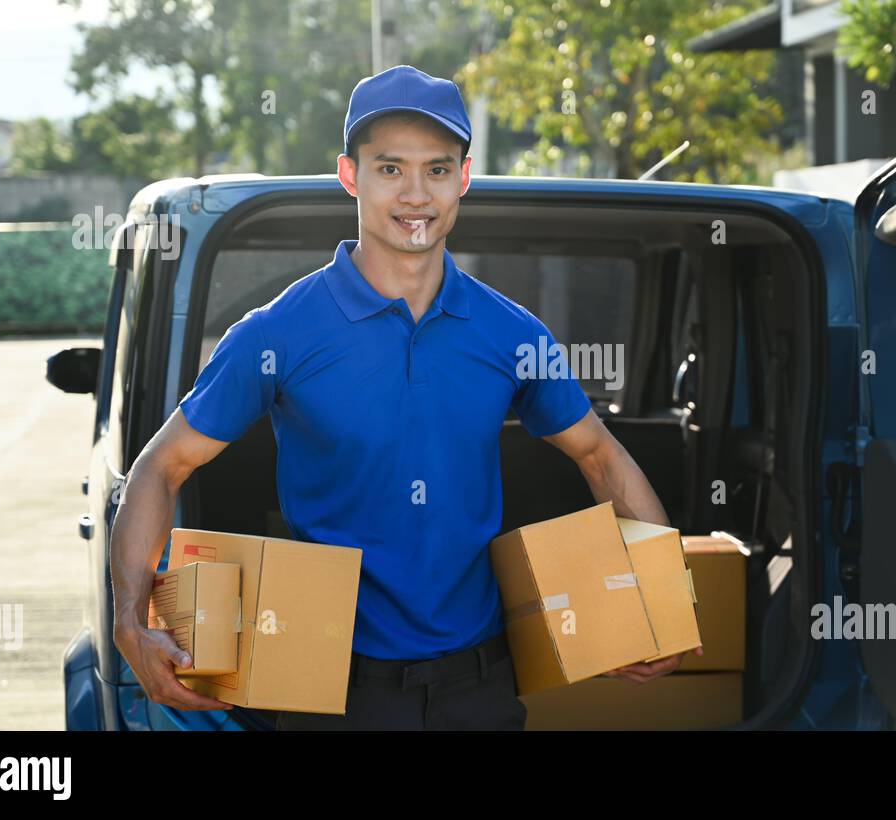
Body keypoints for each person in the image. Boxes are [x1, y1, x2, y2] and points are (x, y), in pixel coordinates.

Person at [110, 65, 698, 731]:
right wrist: (130, 622)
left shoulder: (510, 334)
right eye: (390, 168)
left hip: (479, 684)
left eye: (437, 169)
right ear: (350, 176)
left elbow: (600, 456)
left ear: (463, 180)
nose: (415, 193)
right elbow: (160, 467)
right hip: (330, 686)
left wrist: (660, 602)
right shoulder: (278, 333)